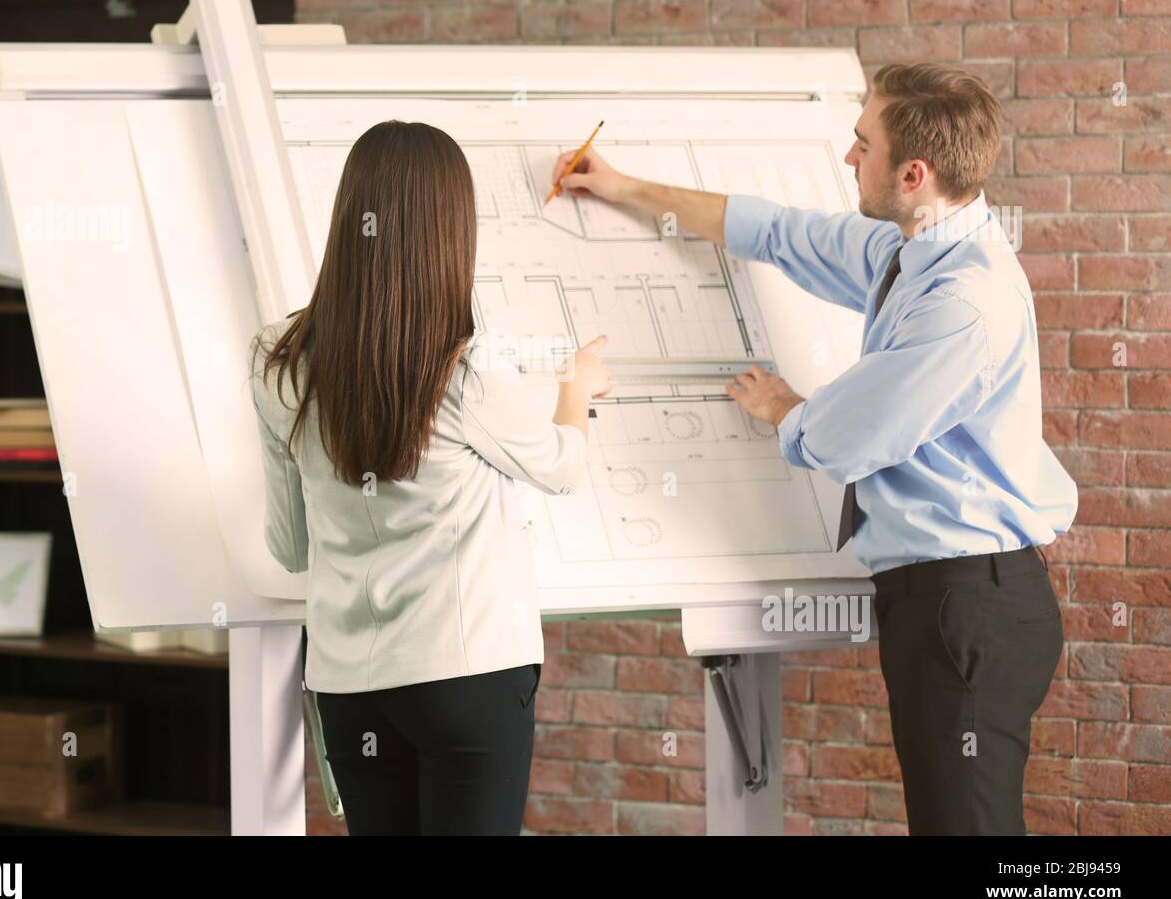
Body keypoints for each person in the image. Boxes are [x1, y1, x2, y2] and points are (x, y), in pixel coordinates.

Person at [549, 62, 1078, 836]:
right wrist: (627, 188)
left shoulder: (964, 300)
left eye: (861, 143)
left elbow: (851, 436)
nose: (846, 156)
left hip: (966, 606)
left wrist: (786, 408)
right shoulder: (910, 250)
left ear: (913, 172)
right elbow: (775, 231)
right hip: (948, 599)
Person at [249, 120, 612, 835]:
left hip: (349, 689)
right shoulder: (467, 370)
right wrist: (578, 386)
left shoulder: (278, 361)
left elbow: (291, 549)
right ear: (450, 232)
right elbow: (564, 467)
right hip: (467, 680)